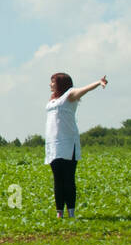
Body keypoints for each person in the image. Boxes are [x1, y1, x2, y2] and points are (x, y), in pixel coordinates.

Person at [44, 72, 106, 219]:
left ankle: (71, 212)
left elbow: (84, 89)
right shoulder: (53, 101)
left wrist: (98, 83)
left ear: (61, 83)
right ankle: (59, 212)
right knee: (58, 179)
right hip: (53, 144)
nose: (50, 85)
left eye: (53, 82)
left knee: (68, 179)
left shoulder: (69, 95)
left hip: (67, 143)